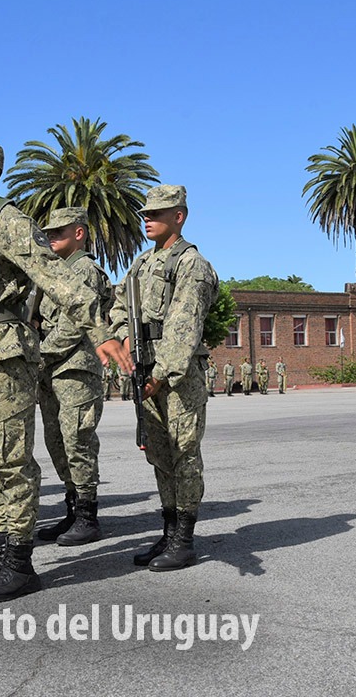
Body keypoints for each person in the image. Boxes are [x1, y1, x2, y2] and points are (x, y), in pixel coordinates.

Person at [0, 139, 129, 603]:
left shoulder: (8, 222)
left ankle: (20, 562)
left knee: (8, 456)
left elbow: (56, 277)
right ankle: (6, 550)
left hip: (2, 354)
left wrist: (99, 330)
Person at [110, 184, 217, 572]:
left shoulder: (192, 264)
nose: (147, 220)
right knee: (159, 455)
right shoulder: (140, 264)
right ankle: (169, 531)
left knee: (184, 454)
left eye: (157, 214)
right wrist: (123, 336)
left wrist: (161, 374)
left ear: (179, 216)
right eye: (145, 214)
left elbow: (184, 326)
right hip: (145, 370)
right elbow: (120, 305)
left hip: (177, 376)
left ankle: (185, 540)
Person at [31, 206, 114, 548]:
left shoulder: (84, 270)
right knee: (57, 441)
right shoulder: (55, 273)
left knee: (77, 439)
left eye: (57, 233)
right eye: (48, 233)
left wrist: (40, 352)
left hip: (76, 367)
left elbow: (73, 325)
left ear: (78, 233)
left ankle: (87, 515)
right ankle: (71, 508)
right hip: (51, 368)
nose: (50, 238)